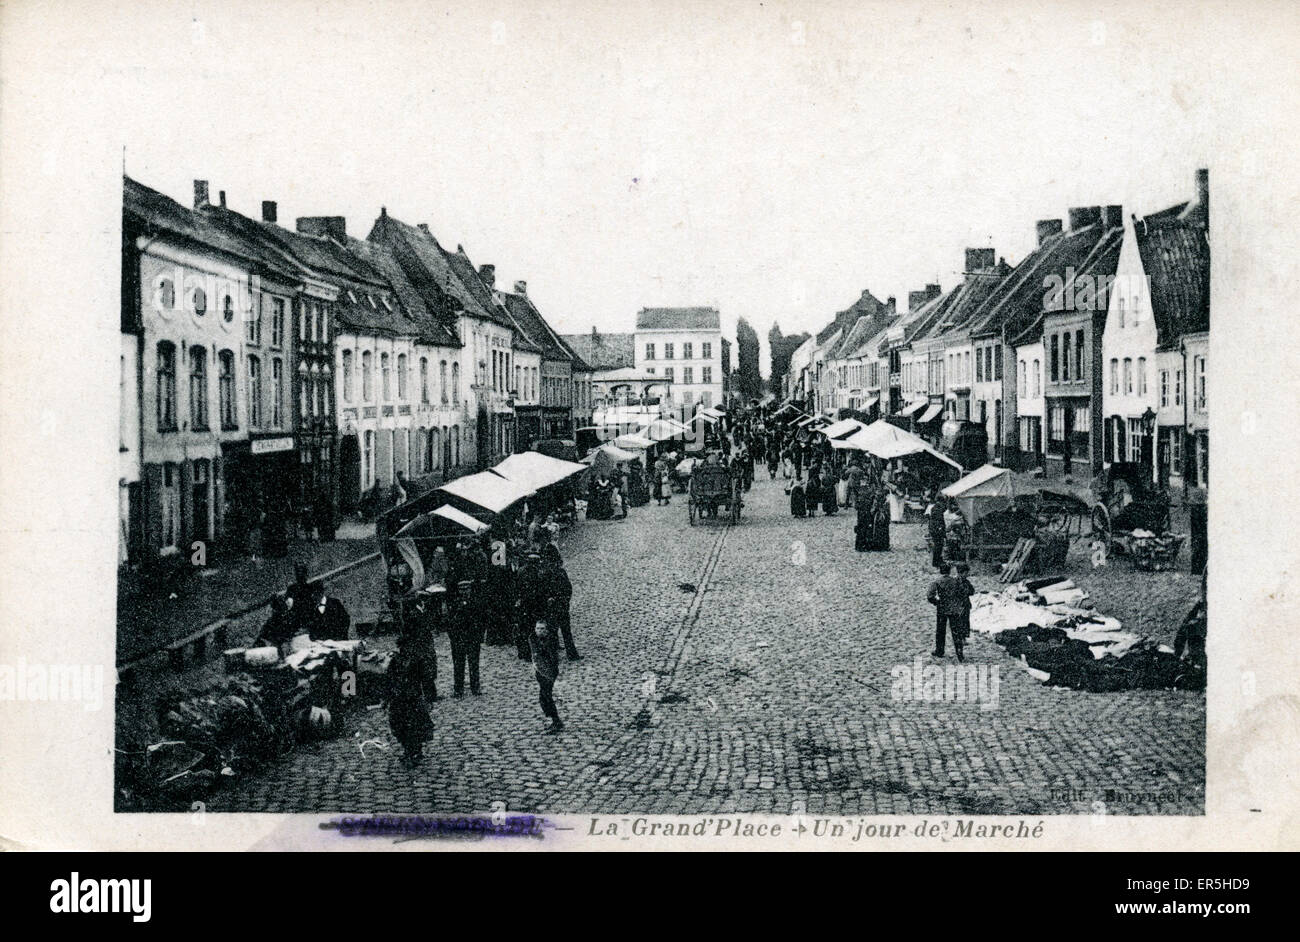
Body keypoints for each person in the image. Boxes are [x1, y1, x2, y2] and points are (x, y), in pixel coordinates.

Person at [385, 632, 434, 766]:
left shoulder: (418, 660)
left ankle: (415, 751)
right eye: (403, 647)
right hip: (399, 699)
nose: (406, 649)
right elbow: (389, 679)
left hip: (413, 698)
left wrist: (429, 698)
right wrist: (387, 697)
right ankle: (408, 750)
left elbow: (426, 679)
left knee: (414, 725)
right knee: (399, 725)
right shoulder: (395, 661)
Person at [927, 563, 975, 661]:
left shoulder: (937, 582)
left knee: (940, 631)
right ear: (949, 571)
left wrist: (937, 602)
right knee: (956, 632)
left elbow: (930, 596)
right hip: (954, 609)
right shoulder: (956, 581)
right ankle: (959, 652)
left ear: (940, 571)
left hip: (942, 609)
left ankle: (939, 651)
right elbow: (963, 593)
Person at [446, 578, 485, 696]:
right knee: (458, 664)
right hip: (458, 639)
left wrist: (479, 636)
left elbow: (482, 620)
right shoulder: (454, 604)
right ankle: (458, 688)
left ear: (470, 590)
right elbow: (449, 622)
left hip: (473, 638)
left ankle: (475, 687)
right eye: (462, 590)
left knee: (474, 664)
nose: (464, 592)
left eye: (466, 589)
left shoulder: (477, 603)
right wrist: (452, 637)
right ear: (458, 591)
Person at [542, 543, 580, 660]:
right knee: (566, 631)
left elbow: (541, 590)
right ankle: (571, 654)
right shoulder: (560, 572)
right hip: (561, 605)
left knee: (552, 631)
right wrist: (565, 600)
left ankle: (552, 655)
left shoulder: (544, 573)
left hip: (551, 605)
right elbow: (568, 588)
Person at [925, 489, 946, 569]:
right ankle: (936, 561)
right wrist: (941, 529)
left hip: (934, 529)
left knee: (938, 545)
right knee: (938, 546)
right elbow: (939, 520)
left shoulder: (934, 507)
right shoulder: (938, 508)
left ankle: (937, 560)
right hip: (937, 530)